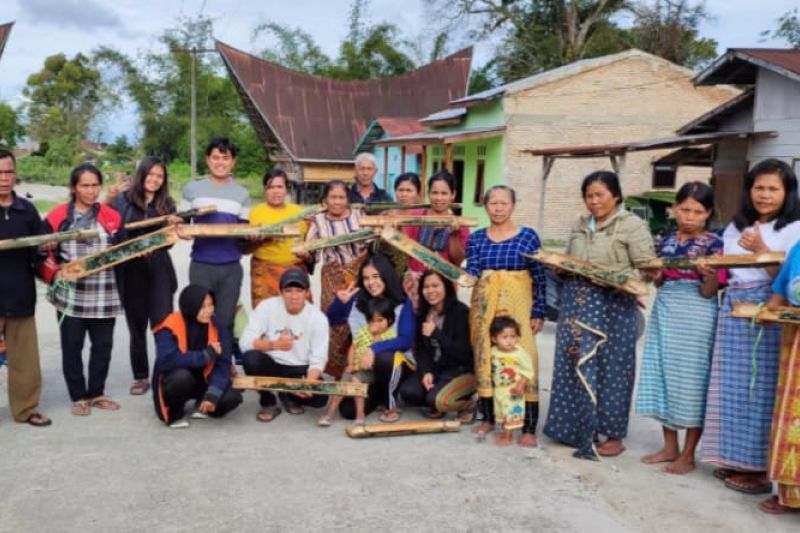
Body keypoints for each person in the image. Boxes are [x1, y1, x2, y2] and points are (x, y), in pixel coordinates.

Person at [701, 159, 800, 495]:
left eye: (774, 188)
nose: (765, 194)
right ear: (749, 190)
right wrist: (711, 270)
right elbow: (729, 269)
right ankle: (734, 458)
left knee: (761, 388)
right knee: (732, 388)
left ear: (788, 193)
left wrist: (763, 251)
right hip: (733, 309)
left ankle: (759, 468)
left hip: (768, 313)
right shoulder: (736, 226)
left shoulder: (794, 229)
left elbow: (789, 283)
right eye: (759, 187)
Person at [543, 171, 656, 459]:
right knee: (574, 362)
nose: (594, 202)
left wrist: (614, 278)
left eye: (600, 195)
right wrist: (561, 267)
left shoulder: (633, 226)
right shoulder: (579, 225)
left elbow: (648, 269)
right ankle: (581, 427)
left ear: (616, 195)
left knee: (614, 368)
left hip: (615, 307)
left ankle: (614, 435)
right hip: (577, 305)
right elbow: (571, 259)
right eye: (589, 196)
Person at [635, 182, 723, 474]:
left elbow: (710, 292)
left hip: (696, 315)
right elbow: (659, 281)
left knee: (692, 381)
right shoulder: (665, 239)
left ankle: (688, 454)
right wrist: (655, 274)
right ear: (674, 209)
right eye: (684, 209)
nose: (689, 216)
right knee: (663, 375)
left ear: (707, 213)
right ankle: (669, 446)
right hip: (666, 309)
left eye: (697, 211)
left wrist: (705, 273)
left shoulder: (714, 245)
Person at [465, 185, 546, 448]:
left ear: (513, 205)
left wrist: (538, 311)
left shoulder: (528, 237)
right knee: (486, 357)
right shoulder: (476, 238)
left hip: (519, 305)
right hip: (485, 307)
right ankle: (489, 418)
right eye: (493, 203)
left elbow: (540, 277)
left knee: (525, 357)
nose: (498, 208)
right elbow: (474, 270)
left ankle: (528, 427)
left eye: (504, 203)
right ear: (485, 206)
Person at [42, 163, 123, 416]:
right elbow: (41, 255)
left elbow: (123, 250)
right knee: (72, 346)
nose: (91, 191)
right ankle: (78, 396)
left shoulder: (111, 216)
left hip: (105, 294)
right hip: (71, 296)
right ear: (74, 187)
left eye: (95, 185)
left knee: (102, 346)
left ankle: (96, 392)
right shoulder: (57, 217)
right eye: (85, 185)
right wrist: (55, 269)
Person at [106, 156, 179, 396]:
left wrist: (170, 228)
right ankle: (140, 376)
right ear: (142, 175)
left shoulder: (167, 205)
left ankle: (165, 372)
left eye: (160, 176)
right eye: (151, 174)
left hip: (159, 270)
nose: (155, 180)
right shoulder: (122, 200)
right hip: (131, 271)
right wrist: (134, 246)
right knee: (136, 327)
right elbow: (112, 234)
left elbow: (169, 243)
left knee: (163, 325)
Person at [180, 137, 250, 350]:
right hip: (202, 265)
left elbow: (244, 231)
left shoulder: (242, 194)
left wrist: (255, 236)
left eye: (225, 158)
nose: (220, 162)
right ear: (207, 160)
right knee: (200, 317)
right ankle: (199, 364)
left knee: (225, 320)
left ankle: (224, 365)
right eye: (216, 157)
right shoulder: (192, 189)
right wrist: (179, 228)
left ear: (233, 162)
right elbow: (182, 225)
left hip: (231, 267)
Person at [327, 254, 415, 422]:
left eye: (376, 277)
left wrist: (374, 348)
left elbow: (406, 340)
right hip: (365, 370)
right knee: (348, 411)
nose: (371, 283)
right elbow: (332, 319)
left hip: (396, 365)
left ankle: (393, 402)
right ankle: (381, 394)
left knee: (385, 357)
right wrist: (341, 303)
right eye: (366, 278)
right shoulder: (358, 301)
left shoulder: (402, 303)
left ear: (386, 276)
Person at [0, 149, 51, 427]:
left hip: (20, 296)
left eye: (8, 172)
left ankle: (25, 409)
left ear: (15, 174)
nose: (3, 178)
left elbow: (39, 253)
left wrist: (45, 249)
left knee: (24, 362)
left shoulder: (27, 211)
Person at [240, 269, 330, 422]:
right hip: (272, 364)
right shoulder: (267, 307)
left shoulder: (318, 318)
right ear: (280, 292)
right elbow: (244, 342)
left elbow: (318, 358)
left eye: (299, 291)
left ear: (307, 293)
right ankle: (268, 401)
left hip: (299, 368)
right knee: (251, 358)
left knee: (320, 399)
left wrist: (308, 383)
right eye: (288, 291)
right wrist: (273, 344)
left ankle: (288, 395)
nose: (294, 296)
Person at [151, 285, 242, 428]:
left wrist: (213, 395)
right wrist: (205, 355)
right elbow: (166, 361)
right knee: (181, 377)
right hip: (178, 379)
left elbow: (223, 363)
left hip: (204, 380)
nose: (208, 311)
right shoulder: (169, 325)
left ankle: (202, 402)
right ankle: (176, 412)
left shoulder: (217, 326)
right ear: (191, 306)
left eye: (211, 305)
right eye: (203, 306)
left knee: (232, 397)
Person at [302, 179, 367, 378]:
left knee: (358, 320)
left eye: (341, 197)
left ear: (347, 200)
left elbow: (373, 242)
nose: (337, 202)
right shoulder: (319, 221)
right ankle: (333, 372)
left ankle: (357, 370)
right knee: (332, 323)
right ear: (325, 200)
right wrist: (303, 253)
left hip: (358, 275)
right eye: (333, 197)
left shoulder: (359, 216)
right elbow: (310, 249)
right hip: (332, 277)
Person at [399, 270, 476, 421]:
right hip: (436, 369)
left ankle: (469, 403)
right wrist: (426, 371)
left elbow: (464, 353)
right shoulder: (424, 313)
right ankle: (436, 398)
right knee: (408, 393)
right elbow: (421, 349)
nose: (430, 291)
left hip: (459, 370)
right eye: (426, 287)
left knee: (436, 400)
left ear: (446, 287)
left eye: (435, 286)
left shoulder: (460, 312)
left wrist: (437, 334)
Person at [759, 240, 800, 514]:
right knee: (791, 416)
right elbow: (780, 291)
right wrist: (766, 311)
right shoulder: (798, 248)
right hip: (794, 341)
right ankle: (791, 494)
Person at [319, 298, 398, 426]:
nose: (376, 324)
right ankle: (329, 414)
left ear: (389, 320)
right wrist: (350, 364)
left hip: (371, 371)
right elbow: (353, 347)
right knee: (343, 383)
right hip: (355, 368)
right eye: (372, 320)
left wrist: (375, 336)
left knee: (356, 381)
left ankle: (360, 416)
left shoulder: (390, 335)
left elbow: (384, 353)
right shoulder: (362, 331)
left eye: (380, 320)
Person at [403, 171, 469, 308]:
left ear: (453, 195)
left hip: (445, 286)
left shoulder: (460, 224)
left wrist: (454, 236)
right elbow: (403, 248)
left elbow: (458, 260)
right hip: (415, 285)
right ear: (428, 194)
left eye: (444, 193)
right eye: (435, 193)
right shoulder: (415, 218)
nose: (439, 198)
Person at [246, 168, 309, 307]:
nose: (275, 191)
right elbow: (245, 248)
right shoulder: (255, 213)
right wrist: (260, 239)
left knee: (297, 317)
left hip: (295, 272)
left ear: (286, 189)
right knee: (266, 315)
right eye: (271, 187)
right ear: (264, 190)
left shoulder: (299, 213)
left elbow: (308, 243)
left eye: (279, 187)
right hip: (265, 272)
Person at [489, 316, 535, 447]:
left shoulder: (520, 353)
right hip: (499, 389)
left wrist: (520, 385)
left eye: (513, 336)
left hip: (513, 390)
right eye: (504, 337)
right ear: (494, 339)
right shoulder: (493, 351)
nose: (509, 341)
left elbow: (528, 371)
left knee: (511, 413)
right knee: (501, 412)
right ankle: (505, 432)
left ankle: (507, 437)